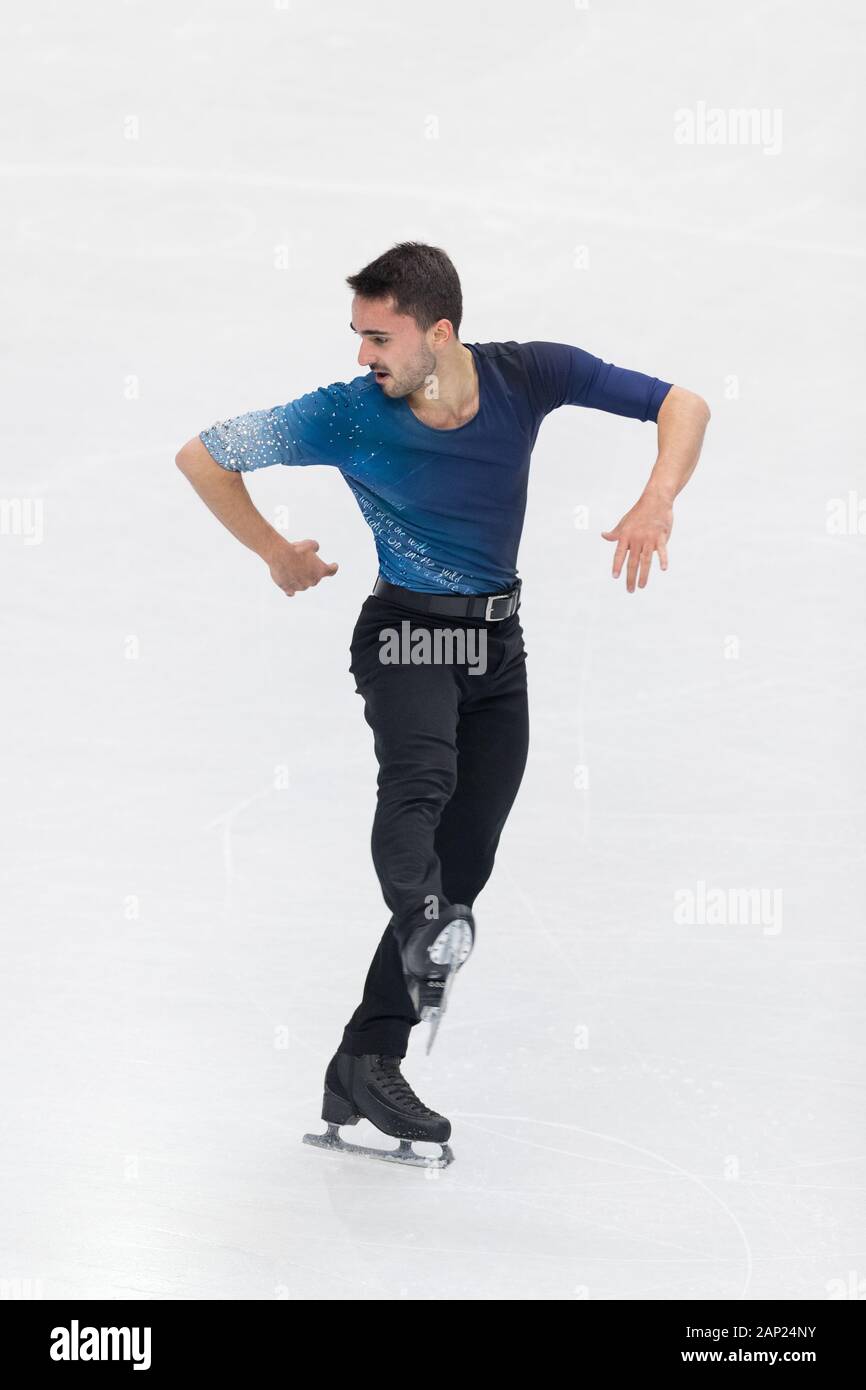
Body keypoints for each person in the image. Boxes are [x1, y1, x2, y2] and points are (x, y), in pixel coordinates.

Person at [176, 241, 710, 1166]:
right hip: (407, 633)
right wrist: (275, 551)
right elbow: (203, 455)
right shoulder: (345, 414)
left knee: (466, 857)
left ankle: (366, 1058)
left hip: (497, 645)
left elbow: (682, 404)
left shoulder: (524, 375)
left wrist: (657, 499)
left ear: (441, 332)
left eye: (378, 338)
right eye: (357, 336)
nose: (361, 357)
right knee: (420, 789)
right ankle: (423, 930)